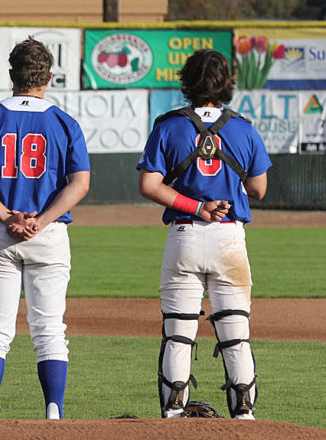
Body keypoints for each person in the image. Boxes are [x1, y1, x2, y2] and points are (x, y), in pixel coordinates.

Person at [0, 38, 90, 420]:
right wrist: (40, 221)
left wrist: (7, 217)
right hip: (47, 234)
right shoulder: (65, 121)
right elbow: (79, 183)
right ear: (48, 77)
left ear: (11, 75)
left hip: (0, 233)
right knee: (49, 330)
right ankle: (53, 412)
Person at [137, 49, 270, 420]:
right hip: (229, 237)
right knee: (235, 334)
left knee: (179, 334)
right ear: (227, 84)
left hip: (185, 234)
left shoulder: (168, 125)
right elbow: (259, 188)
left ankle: (174, 415)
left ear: (187, 82)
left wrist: (195, 205)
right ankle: (243, 414)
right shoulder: (243, 128)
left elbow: (149, 184)